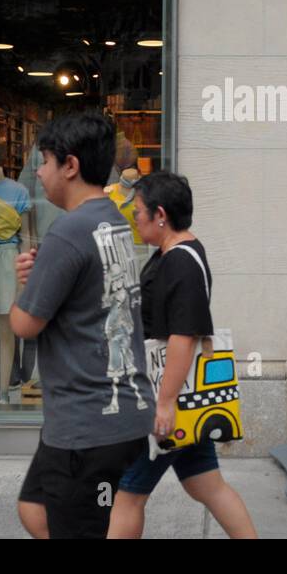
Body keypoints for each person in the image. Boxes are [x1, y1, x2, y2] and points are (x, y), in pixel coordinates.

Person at [10, 111, 155, 539]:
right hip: (109, 412)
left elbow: (25, 325)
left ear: (70, 166)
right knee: (33, 507)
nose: (38, 171)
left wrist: (28, 292)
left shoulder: (67, 232)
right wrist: (38, 280)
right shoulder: (110, 218)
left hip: (87, 424)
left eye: (45, 160)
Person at [106, 170, 257, 539]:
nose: (135, 219)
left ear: (161, 214)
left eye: (138, 212)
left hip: (169, 397)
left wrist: (165, 403)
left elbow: (184, 336)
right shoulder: (174, 253)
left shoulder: (181, 261)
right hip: (183, 396)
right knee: (206, 485)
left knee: (127, 494)